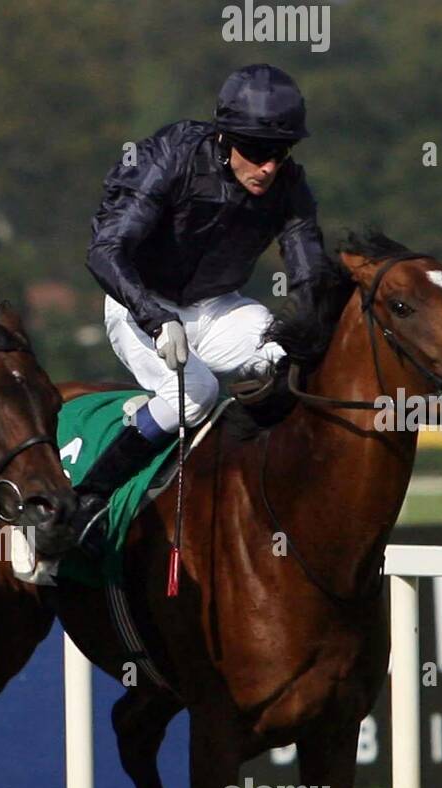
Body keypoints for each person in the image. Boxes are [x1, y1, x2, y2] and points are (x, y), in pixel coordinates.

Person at [73, 64, 329, 553]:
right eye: (255, 151)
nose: (268, 167)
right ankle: (89, 498)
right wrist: (155, 316)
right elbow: (105, 251)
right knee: (198, 393)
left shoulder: (289, 187)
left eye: (279, 152)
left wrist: (314, 335)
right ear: (225, 137)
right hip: (139, 305)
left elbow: (308, 275)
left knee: (288, 365)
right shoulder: (170, 155)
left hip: (217, 308)